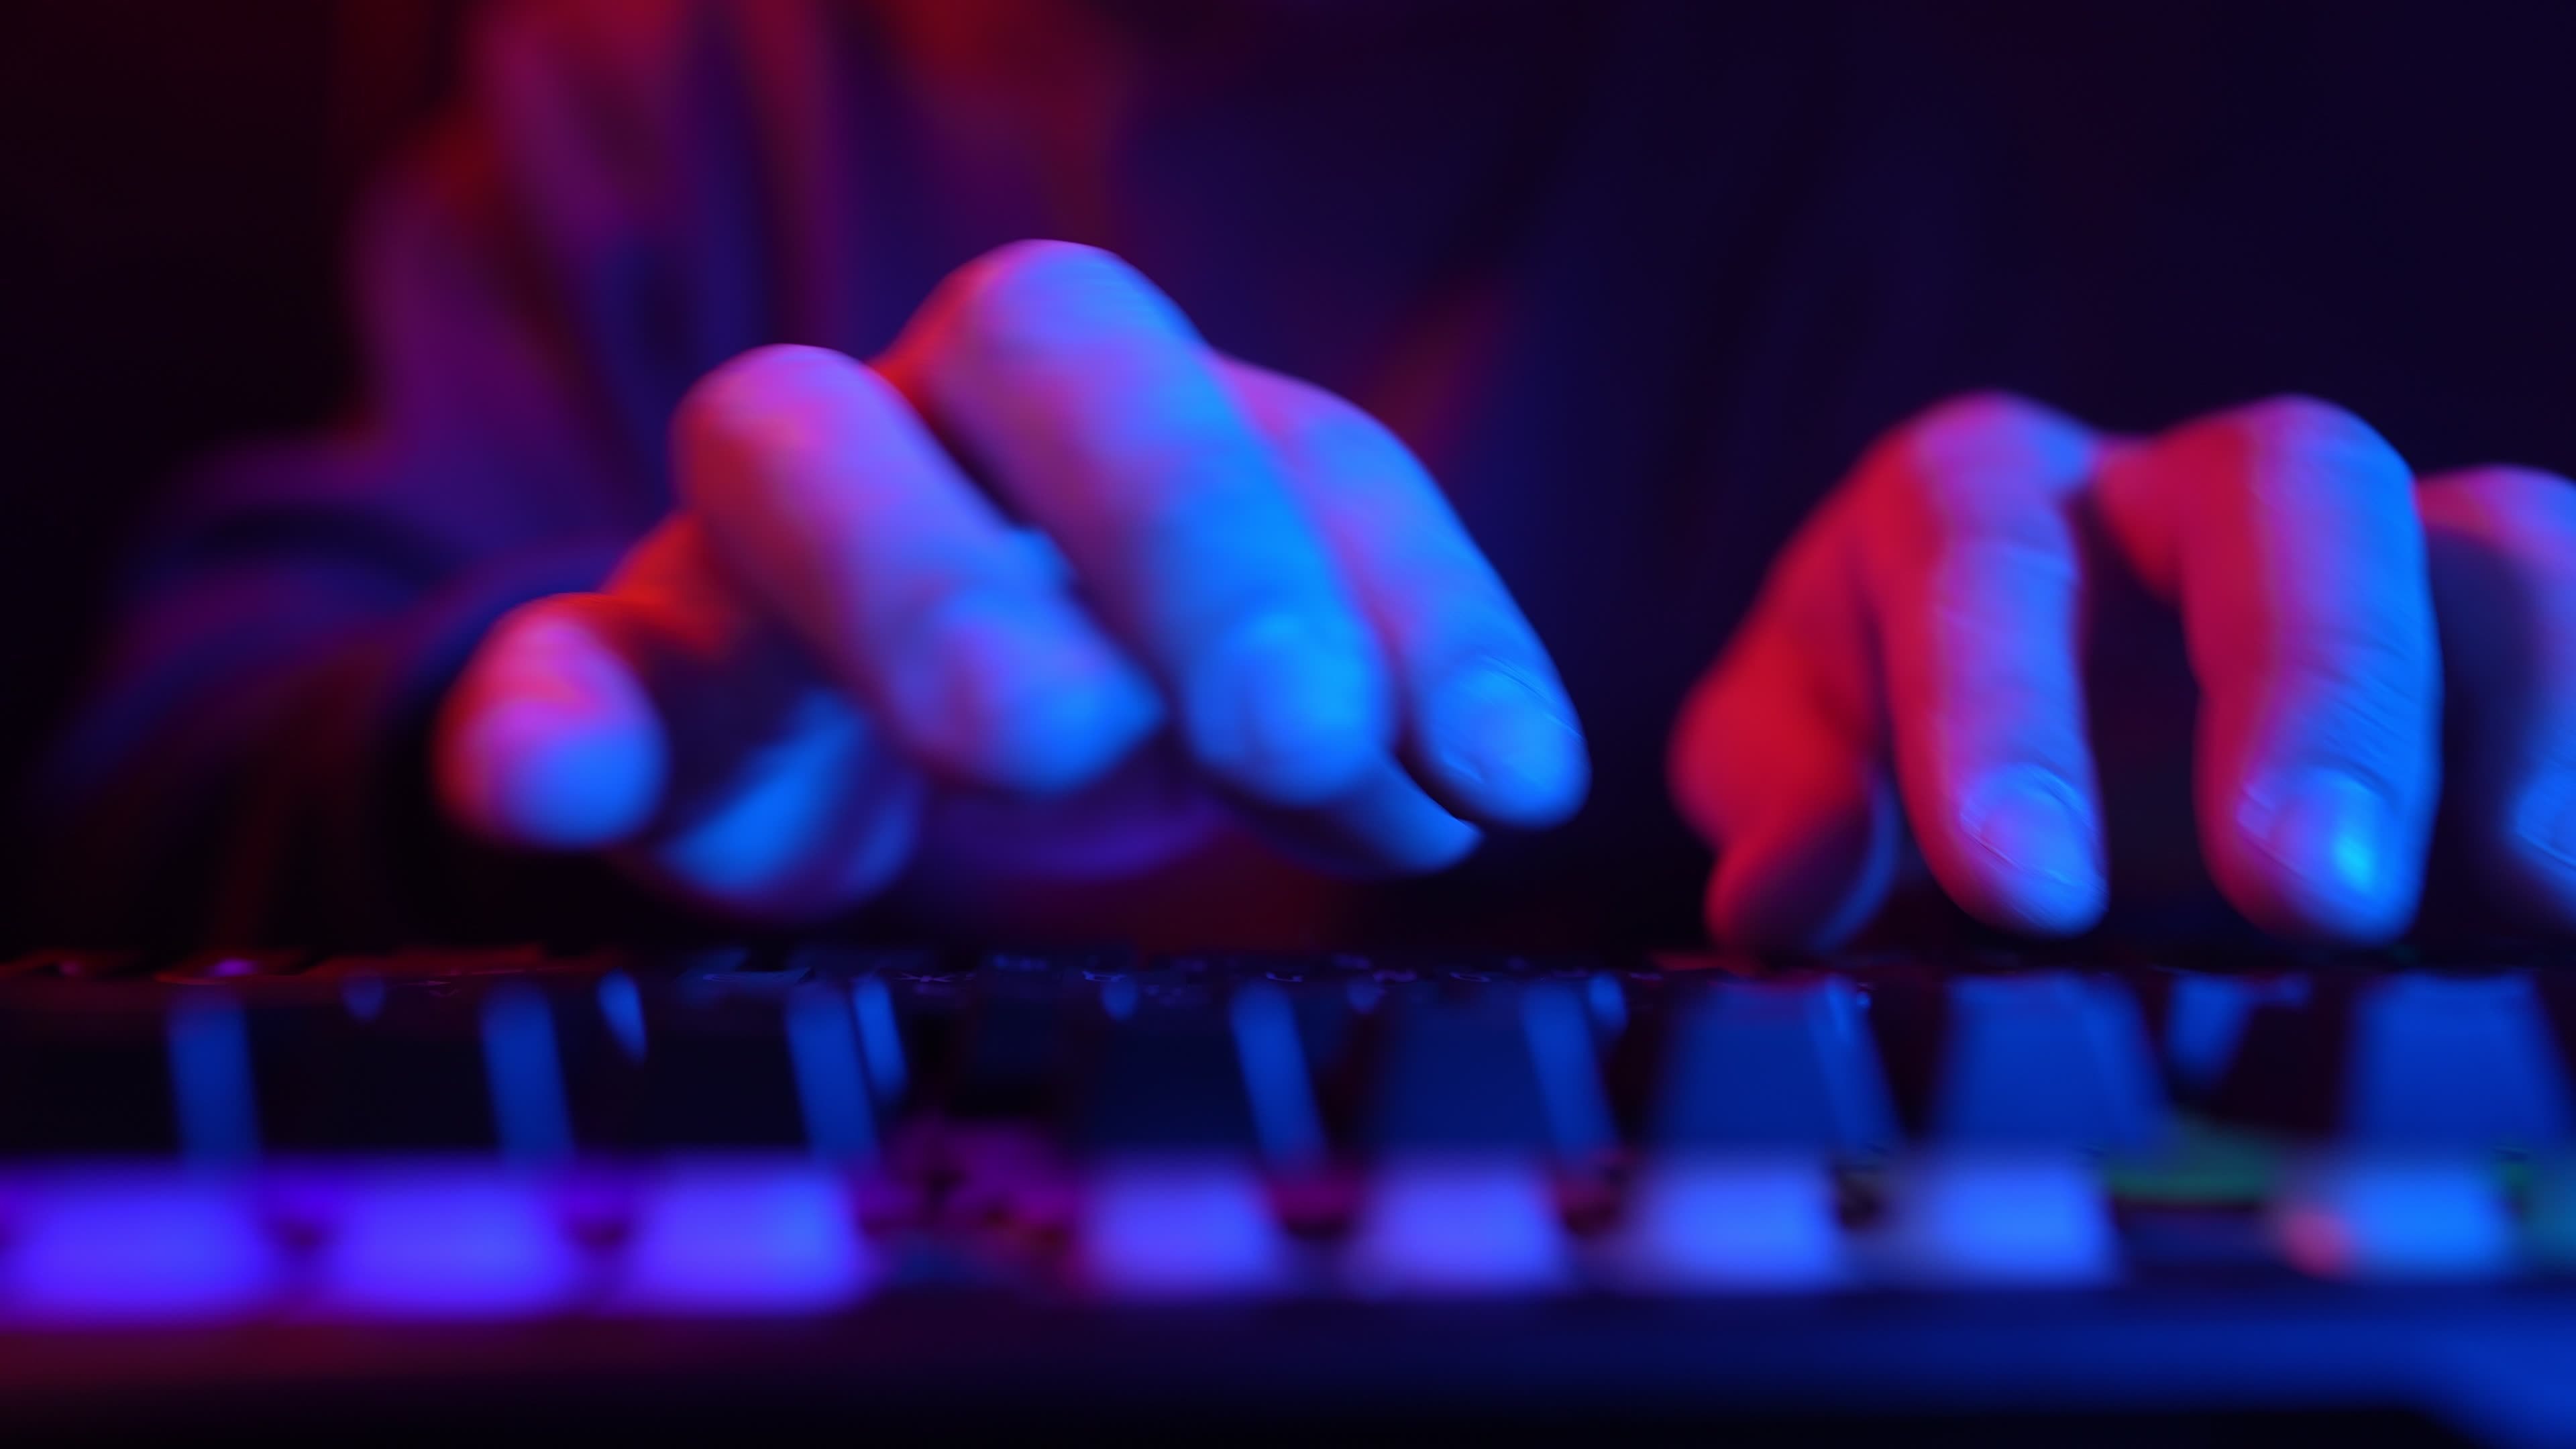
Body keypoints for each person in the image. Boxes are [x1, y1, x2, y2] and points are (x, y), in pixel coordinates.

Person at [36, 0, 2576, 953]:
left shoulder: (2068, 92)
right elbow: (161, 768)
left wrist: (2273, 747)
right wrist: (573, 737)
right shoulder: (671, 72)